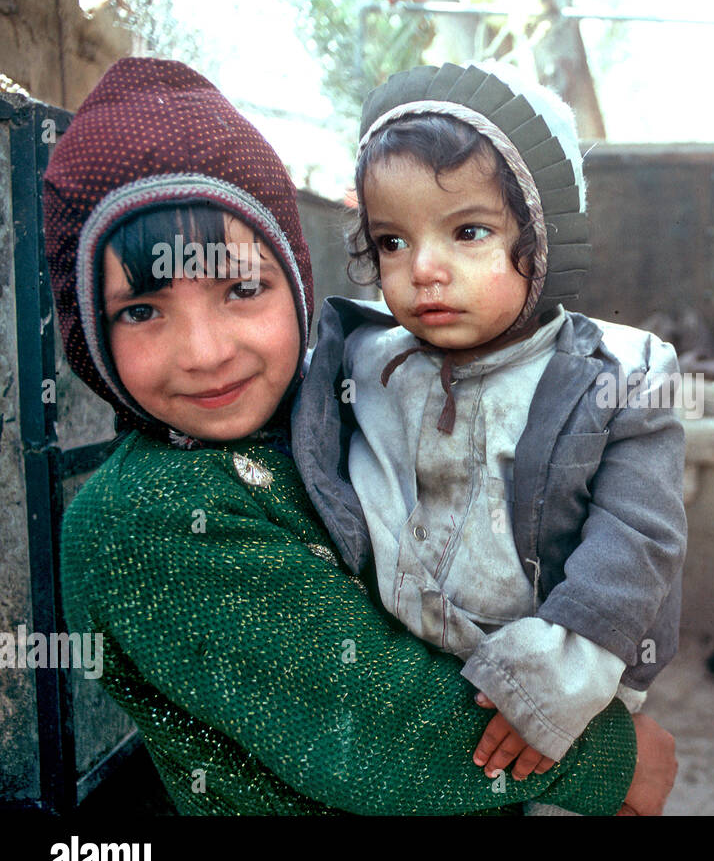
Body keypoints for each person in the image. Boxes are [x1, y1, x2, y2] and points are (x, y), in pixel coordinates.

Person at [45, 56, 676, 815]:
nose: (205, 351)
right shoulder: (142, 519)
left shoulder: (323, 413)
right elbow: (375, 731)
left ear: (296, 279)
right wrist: (612, 757)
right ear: (90, 329)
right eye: (142, 310)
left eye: (243, 289)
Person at [292, 61, 686, 785]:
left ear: (545, 239)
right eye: (392, 242)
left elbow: (640, 536)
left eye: (467, 231)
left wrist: (564, 677)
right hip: (414, 684)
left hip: (572, 682)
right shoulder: (359, 365)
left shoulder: (620, 376)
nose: (424, 270)